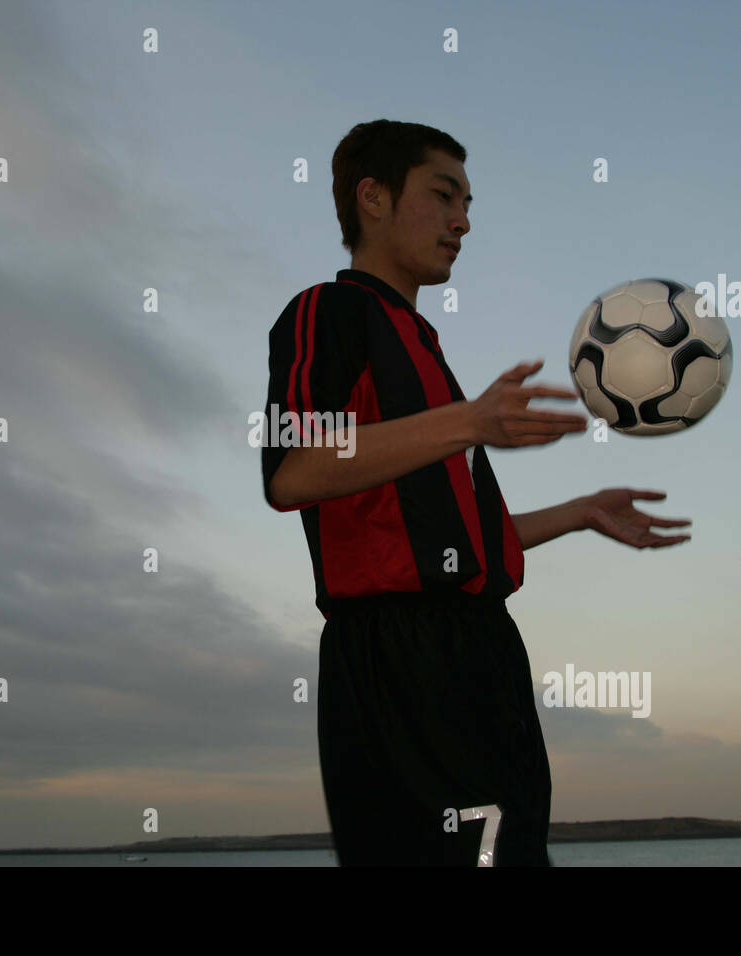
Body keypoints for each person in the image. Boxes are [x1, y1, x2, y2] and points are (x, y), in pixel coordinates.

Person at [260, 120, 692, 866]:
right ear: (373, 197)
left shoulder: (423, 346)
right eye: (443, 195)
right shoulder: (327, 314)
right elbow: (293, 470)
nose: (464, 220)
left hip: (481, 649)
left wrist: (581, 512)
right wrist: (467, 422)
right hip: (398, 659)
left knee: (512, 857)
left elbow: (458, 539)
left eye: (468, 201)